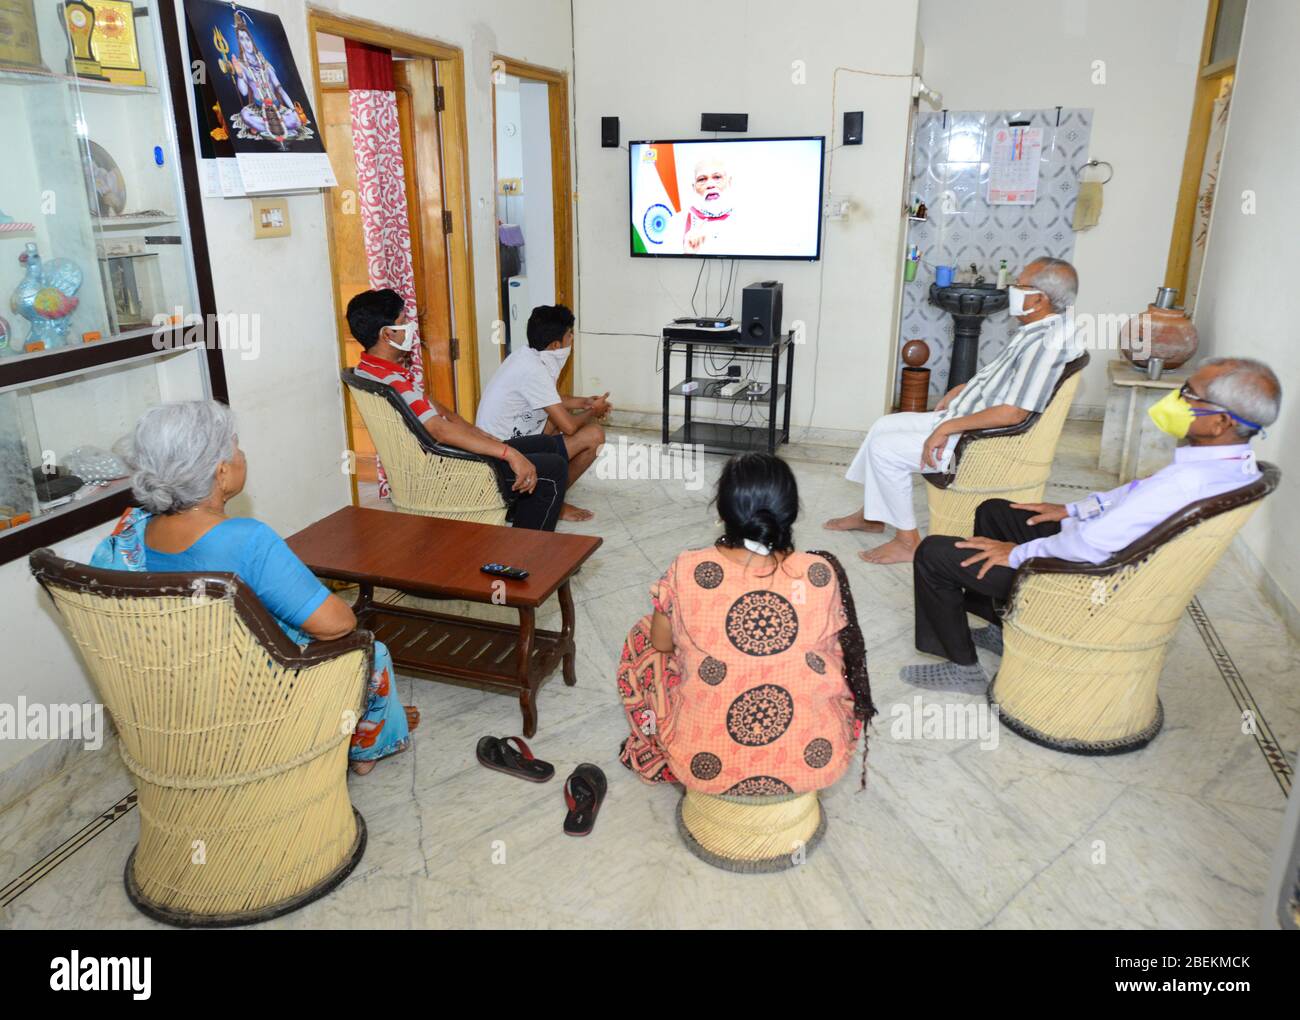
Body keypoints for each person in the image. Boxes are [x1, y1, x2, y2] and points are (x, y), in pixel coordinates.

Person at [904, 356, 1281, 692]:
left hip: (1078, 578)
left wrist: (1017, 553)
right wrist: (1074, 510)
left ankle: (961, 667)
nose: (1178, 399)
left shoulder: (1185, 483)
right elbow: (1136, 494)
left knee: (934, 553)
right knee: (996, 512)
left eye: (1189, 393)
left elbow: (1088, 545)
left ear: (1220, 422)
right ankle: (1002, 627)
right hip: (1101, 553)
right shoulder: (1235, 465)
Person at [91, 401, 418, 775]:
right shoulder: (246, 540)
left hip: (171, 699)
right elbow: (337, 624)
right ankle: (366, 745)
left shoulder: (129, 531)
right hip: (252, 702)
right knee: (370, 652)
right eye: (236, 446)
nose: (243, 454)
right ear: (222, 471)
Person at [617, 452, 875, 794]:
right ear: (791, 512)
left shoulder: (687, 569)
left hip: (704, 764)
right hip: (815, 760)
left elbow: (663, 645)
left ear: (723, 511)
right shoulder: (818, 572)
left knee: (644, 637)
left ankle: (667, 740)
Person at [827, 257, 1082, 565]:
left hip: (978, 440)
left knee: (885, 448)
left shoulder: (1046, 343)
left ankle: (907, 541)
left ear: (1039, 299)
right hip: (964, 419)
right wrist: (965, 389)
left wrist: (948, 428)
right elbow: (1006, 381)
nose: (1012, 289)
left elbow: (1013, 413)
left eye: (1019, 285)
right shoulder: (1041, 330)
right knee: (884, 425)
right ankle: (873, 514)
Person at [346, 288, 566, 532]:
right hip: (447, 467)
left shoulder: (371, 369)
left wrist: (476, 432)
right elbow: (440, 430)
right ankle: (527, 552)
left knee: (545, 445)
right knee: (552, 467)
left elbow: (435, 409)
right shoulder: (394, 381)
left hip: (436, 457)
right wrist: (508, 454)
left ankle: (518, 515)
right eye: (404, 322)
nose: (410, 327)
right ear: (388, 334)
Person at [475, 304, 610, 522]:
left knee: (553, 418)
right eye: (569, 335)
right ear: (556, 344)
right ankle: (550, 500)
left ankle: (542, 494)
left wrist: (584, 402)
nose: (572, 339)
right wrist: (594, 411)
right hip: (502, 460)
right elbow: (570, 426)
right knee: (594, 435)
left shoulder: (527, 357)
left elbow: (550, 400)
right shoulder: (534, 370)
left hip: (507, 445)